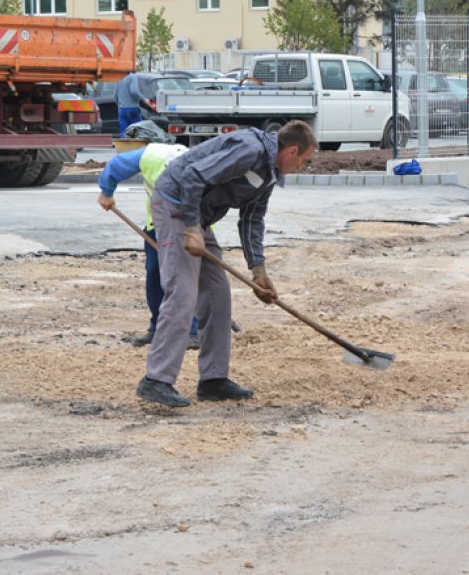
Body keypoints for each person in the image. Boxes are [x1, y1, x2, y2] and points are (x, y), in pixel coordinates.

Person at [136, 120, 317, 407]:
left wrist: (258, 270)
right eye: (304, 161)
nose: (301, 167)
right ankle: (156, 379)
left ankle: (213, 379)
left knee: (217, 295)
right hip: (175, 205)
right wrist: (192, 228)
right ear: (292, 150)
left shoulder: (269, 172)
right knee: (183, 292)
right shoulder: (250, 150)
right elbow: (193, 175)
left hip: (198, 215)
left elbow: (252, 219)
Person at [96, 142, 200, 349]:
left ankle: (191, 331)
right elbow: (115, 166)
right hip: (157, 226)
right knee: (155, 274)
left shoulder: (201, 173)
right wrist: (106, 192)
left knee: (185, 277)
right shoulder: (151, 156)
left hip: (192, 229)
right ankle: (157, 329)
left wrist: (197, 236)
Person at [114, 72, 142, 137]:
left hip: (122, 109)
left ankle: (124, 142)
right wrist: (144, 99)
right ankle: (135, 143)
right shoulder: (133, 76)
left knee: (124, 132)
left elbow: (115, 95)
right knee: (136, 132)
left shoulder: (118, 77)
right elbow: (134, 92)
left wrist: (119, 104)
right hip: (132, 108)